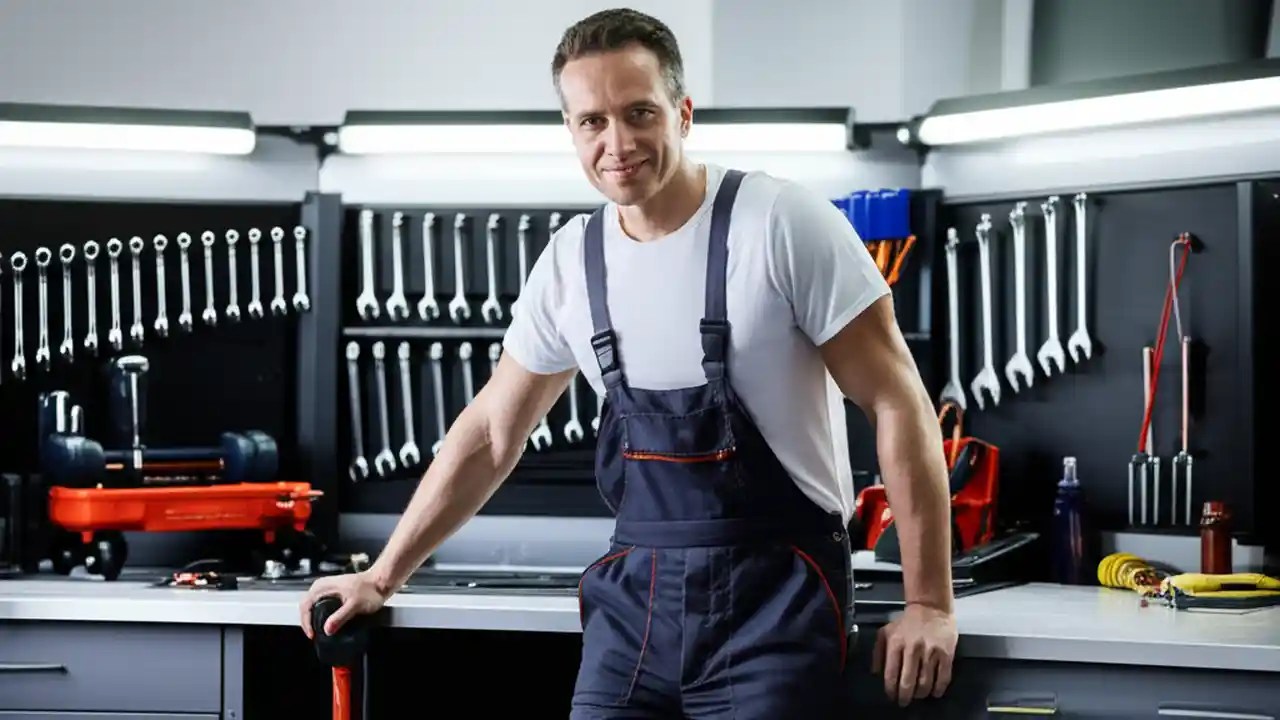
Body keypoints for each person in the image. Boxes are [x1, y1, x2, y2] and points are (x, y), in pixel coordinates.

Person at [300, 7, 958, 715]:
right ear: (571, 130)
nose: (618, 142)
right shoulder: (572, 264)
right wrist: (383, 576)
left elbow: (897, 401)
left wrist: (928, 601)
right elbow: (493, 431)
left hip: (779, 603)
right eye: (593, 121)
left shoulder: (780, 224)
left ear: (682, 113)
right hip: (634, 612)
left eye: (639, 112)